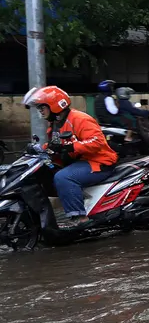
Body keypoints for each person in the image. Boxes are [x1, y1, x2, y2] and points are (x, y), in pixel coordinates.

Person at [26, 86, 118, 228]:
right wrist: (42, 149)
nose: (40, 111)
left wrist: (71, 147)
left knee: (64, 177)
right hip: (80, 161)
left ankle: (79, 219)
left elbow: (97, 141)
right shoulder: (55, 124)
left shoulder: (80, 119)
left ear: (54, 106)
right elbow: (56, 144)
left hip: (99, 162)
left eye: (42, 107)